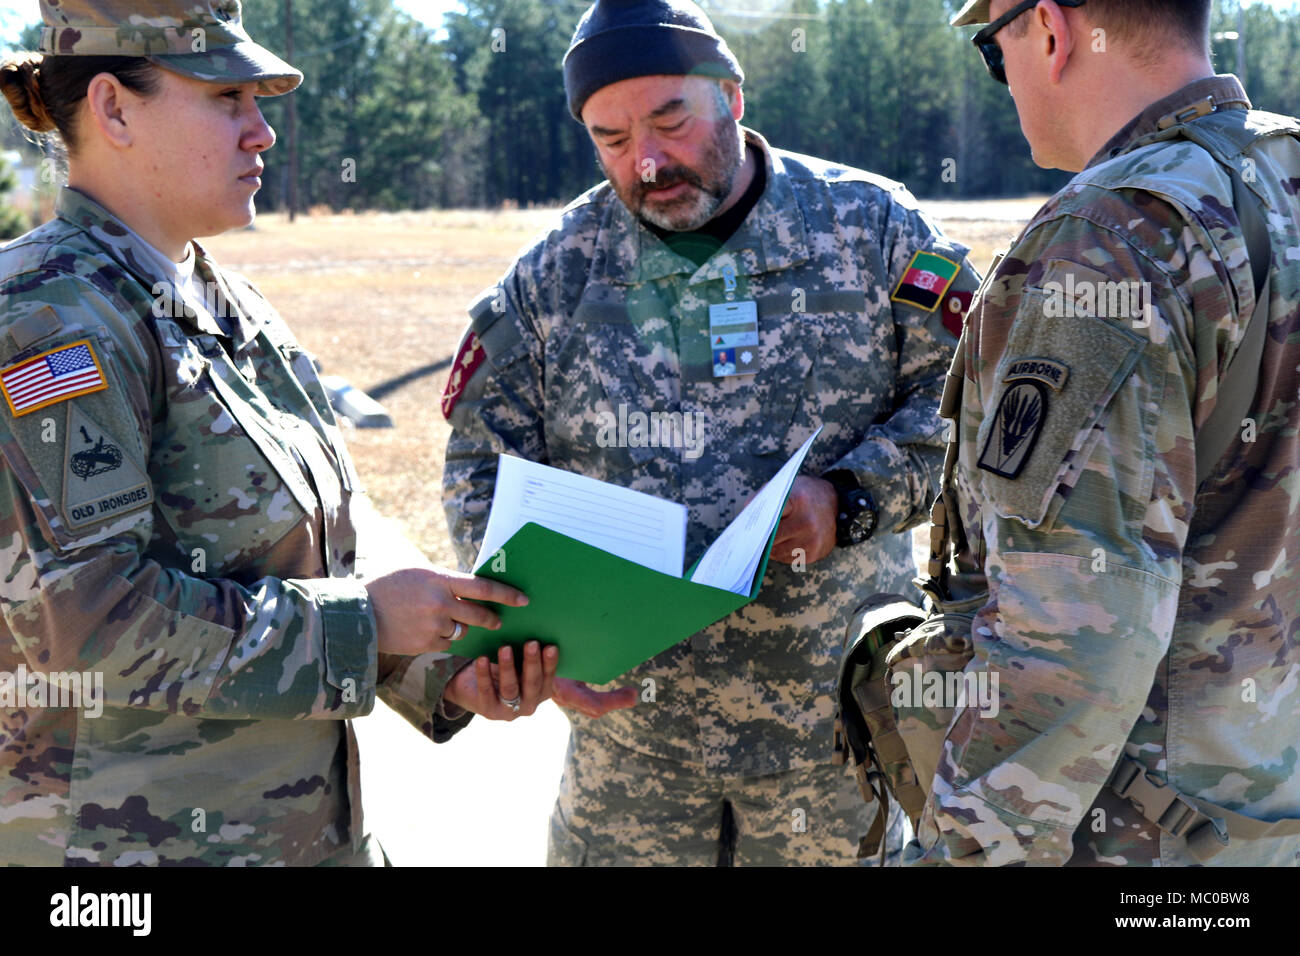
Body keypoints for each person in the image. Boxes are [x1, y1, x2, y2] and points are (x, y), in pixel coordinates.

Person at [0, 0, 630, 867]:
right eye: (226, 98)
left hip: (302, 835)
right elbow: (93, 623)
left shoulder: (225, 302)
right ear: (113, 108)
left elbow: (320, 545)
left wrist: (452, 664)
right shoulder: (48, 319)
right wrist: (365, 624)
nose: (262, 132)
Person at [442, 0, 979, 866]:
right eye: (612, 139)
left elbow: (966, 403)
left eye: (670, 122)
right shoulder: (554, 274)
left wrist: (852, 497)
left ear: (732, 96)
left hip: (833, 737)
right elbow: (480, 461)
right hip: (630, 754)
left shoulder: (870, 228)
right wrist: (529, 626)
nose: (648, 161)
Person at [907, 0, 1300, 865]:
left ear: (1051, 32)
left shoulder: (1112, 238)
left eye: (993, 50)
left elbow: (1072, 641)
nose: (1005, 78)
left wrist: (959, 854)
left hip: (1147, 847)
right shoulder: (1281, 174)